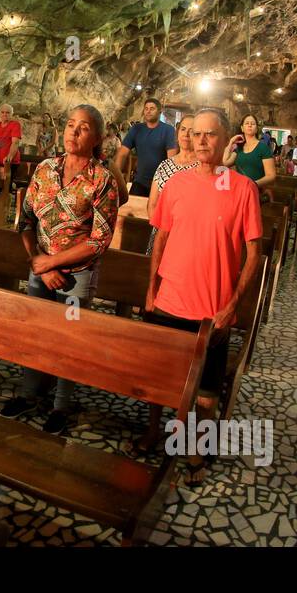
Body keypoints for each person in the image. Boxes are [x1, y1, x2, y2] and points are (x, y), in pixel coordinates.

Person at [145, 108, 262, 484]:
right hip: (169, 301)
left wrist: (234, 304)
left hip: (212, 308)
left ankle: (198, 450)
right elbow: (160, 238)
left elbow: (254, 253)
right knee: (163, 380)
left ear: (225, 137)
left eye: (210, 134)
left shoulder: (243, 188)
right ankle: (152, 437)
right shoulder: (176, 184)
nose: (201, 141)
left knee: (207, 395)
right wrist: (151, 290)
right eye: (196, 134)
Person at [0, 105, 118, 434]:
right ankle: (28, 394)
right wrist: (38, 258)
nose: (73, 132)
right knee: (35, 332)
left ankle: (62, 406)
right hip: (41, 266)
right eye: (69, 125)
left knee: (70, 339)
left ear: (97, 137)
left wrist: (52, 263)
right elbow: (25, 220)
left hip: (78, 274)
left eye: (83, 128)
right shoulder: (45, 170)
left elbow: (100, 239)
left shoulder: (102, 180)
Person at [145, 115, 199, 252]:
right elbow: (152, 204)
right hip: (161, 233)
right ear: (177, 134)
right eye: (183, 129)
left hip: (189, 236)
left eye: (192, 131)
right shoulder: (164, 165)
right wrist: (162, 230)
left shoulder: (202, 167)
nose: (186, 134)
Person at [113, 98, 177, 213]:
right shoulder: (136, 129)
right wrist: (115, 179)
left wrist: (170, 186)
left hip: (160, 183)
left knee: (156, 218)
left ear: (159, 111)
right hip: (140, 181)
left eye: (152, 109)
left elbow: (171, 159)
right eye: (146, 108)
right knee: (130, 213)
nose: (148, 111)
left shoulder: (168, 130)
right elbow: (122, 154)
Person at [222, 114, 276, 189]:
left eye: (253, 124)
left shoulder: (263, 148)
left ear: (256, 128)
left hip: (254, 191)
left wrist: (252, 184)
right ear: (242, 128)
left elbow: (271, 176)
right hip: (239, 190)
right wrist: (231, 142)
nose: (250, 125)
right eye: (247, 123)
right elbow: (225, 163)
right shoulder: (239, 149)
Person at [0, 104, 23, 181]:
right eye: (2, 112)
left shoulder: (15, 125)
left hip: (10, 162)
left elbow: (15, 143)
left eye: (7, 112)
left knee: (3, 185)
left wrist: (9, 157)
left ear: (11, 114)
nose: (4, 114)